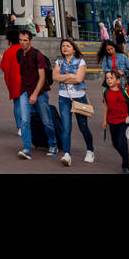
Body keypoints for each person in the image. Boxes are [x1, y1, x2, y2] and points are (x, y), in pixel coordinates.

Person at [13, 31, 56, 160]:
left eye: (25, 40)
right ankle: (27, 149)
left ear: (31, 41)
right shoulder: (19, 54)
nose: (23, 42)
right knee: (24, 120)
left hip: (40, 92)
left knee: (46, 120)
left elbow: (42, 77)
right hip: (24, 91)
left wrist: (35, 94)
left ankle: (53, 144)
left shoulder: (37, 55)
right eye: (21, 40)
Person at [52, 37, 95, 166]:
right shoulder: (58, 62)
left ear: (74, 49)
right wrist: (71, 76)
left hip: (79, 98)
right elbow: (54, 77)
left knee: (83, 127)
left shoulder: (80, 62)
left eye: (68, 46)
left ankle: (90, 150)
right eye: (63, 46)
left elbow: (79, 79)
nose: (64, 48)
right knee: (66, 127)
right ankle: (67, 154)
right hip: (64, 98)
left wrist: (65, 78)